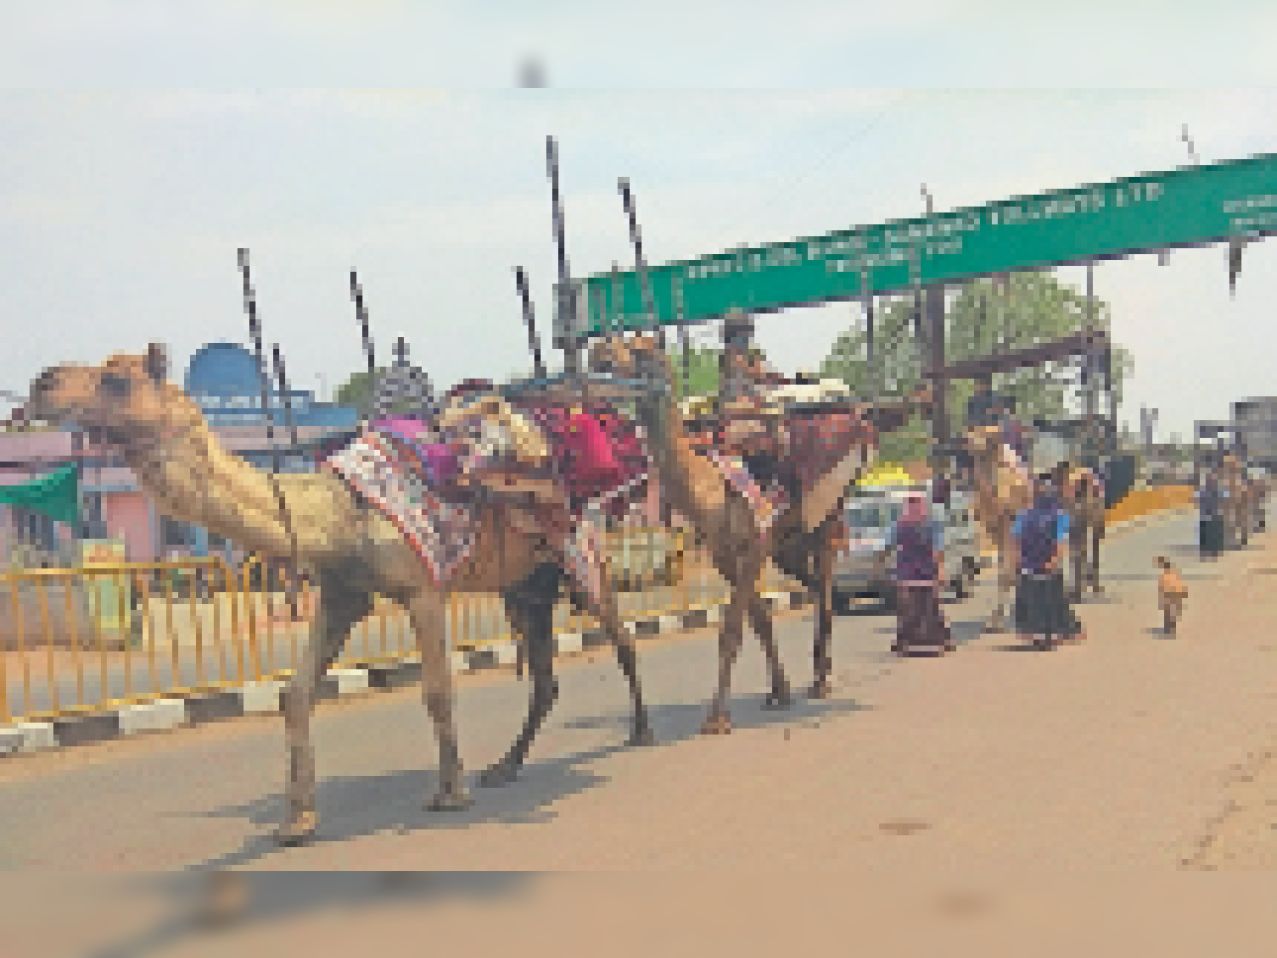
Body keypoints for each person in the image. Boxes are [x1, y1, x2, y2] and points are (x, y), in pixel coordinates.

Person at [1012, 473, 1085, 650]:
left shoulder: (1034, 515)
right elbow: (1016, 539)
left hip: (1038, 566)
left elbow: (1059, 541)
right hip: (1038, 566)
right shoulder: (1033, 515)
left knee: (1043, 599)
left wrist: (1053, 559)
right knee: (1044, 599)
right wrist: (1053, 560)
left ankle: (1044, 634)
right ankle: (1043, 634)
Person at [882, 491, 952, 655]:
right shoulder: (899, 525)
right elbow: (888, 546)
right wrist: (885, 566)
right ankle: (906, 639)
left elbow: (938, 549)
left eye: (916, 502)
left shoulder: (932, 525)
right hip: (907, 571)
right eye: (911, 503)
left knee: (931, 605)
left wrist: (940, 570)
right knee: (908, 607)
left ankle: (937, 639)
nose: (914, 507)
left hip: (927, 570)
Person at [1196, 468, 1226, 559]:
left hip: (1214, 515)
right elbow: (1200, 501)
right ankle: (1205, 551)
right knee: (1206, 534)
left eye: (1212, 481)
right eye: (1210, 480)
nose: (1211, 482)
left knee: (1215, 534)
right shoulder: (1204, 491)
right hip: (1206, 516)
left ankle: (1214, 551)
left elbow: (1224, 499)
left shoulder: (1217, 491)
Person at [1155, 555, 1188, 636]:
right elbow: (1178, 583)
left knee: (1168, 611)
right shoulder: (1172, 573)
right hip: (1174, 593)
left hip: (1170, 593)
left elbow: (1163, 587)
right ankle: (1171, 628)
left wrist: (1161, 598)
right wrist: (1183, 592)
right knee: (1172, 611)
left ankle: (1169, 629)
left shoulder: (1166, 575)